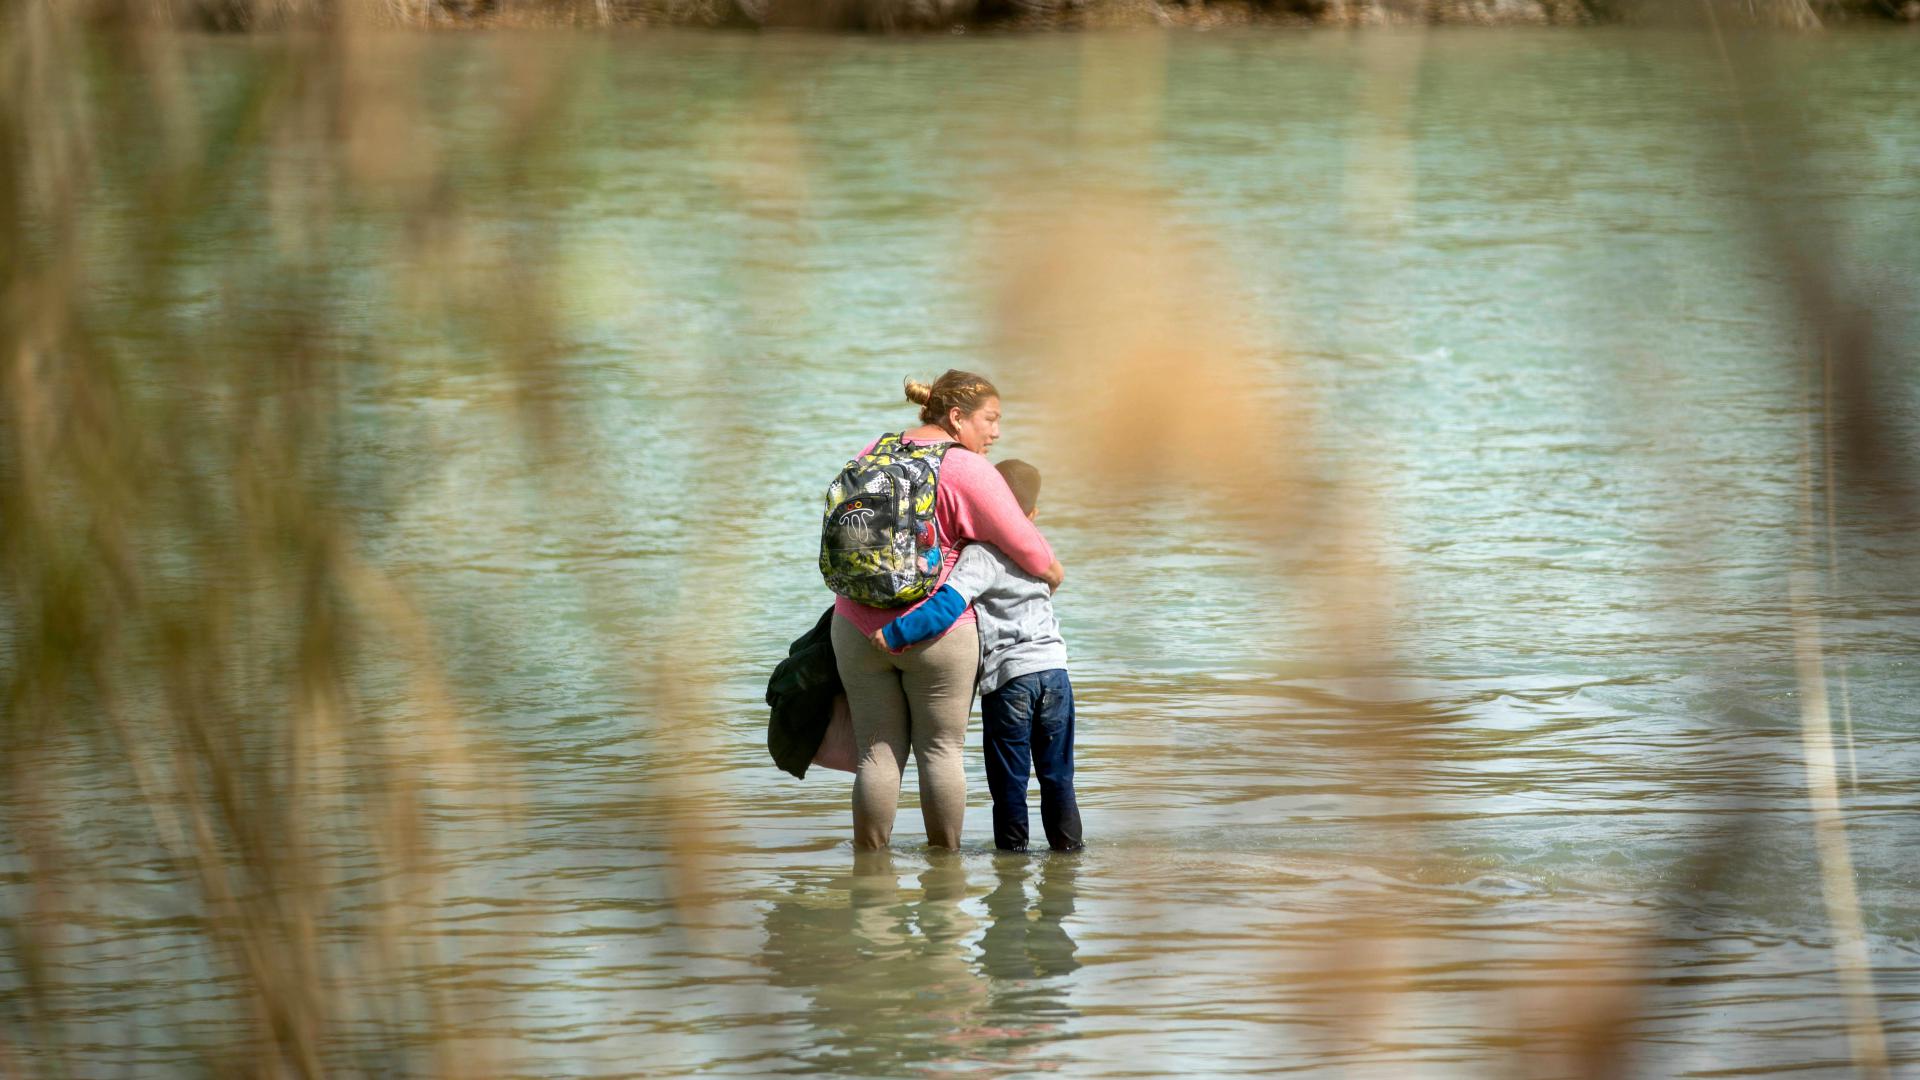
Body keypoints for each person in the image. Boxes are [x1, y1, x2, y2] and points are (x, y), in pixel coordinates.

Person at [829, 371, 1064, 850]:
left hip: (853, 624)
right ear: (957, 418)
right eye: (990, 420)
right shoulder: (966, 468)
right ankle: (945, 877)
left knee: (875, 753)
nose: (995, 433)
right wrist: (1054, 572)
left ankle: (870, 879)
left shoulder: (874, 448)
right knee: (940, 751)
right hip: (937, 630)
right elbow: (1026, 544)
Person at [871, 460, 1083, 853]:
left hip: (1010, 681)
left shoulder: (982, 555)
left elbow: (948, 605)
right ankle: (1068, 858)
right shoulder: (1038, 548)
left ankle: (1012, 864)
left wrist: (895, 633)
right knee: (1058, 779)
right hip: (1055, 672)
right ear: (1032, 514)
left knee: (1009, 787)